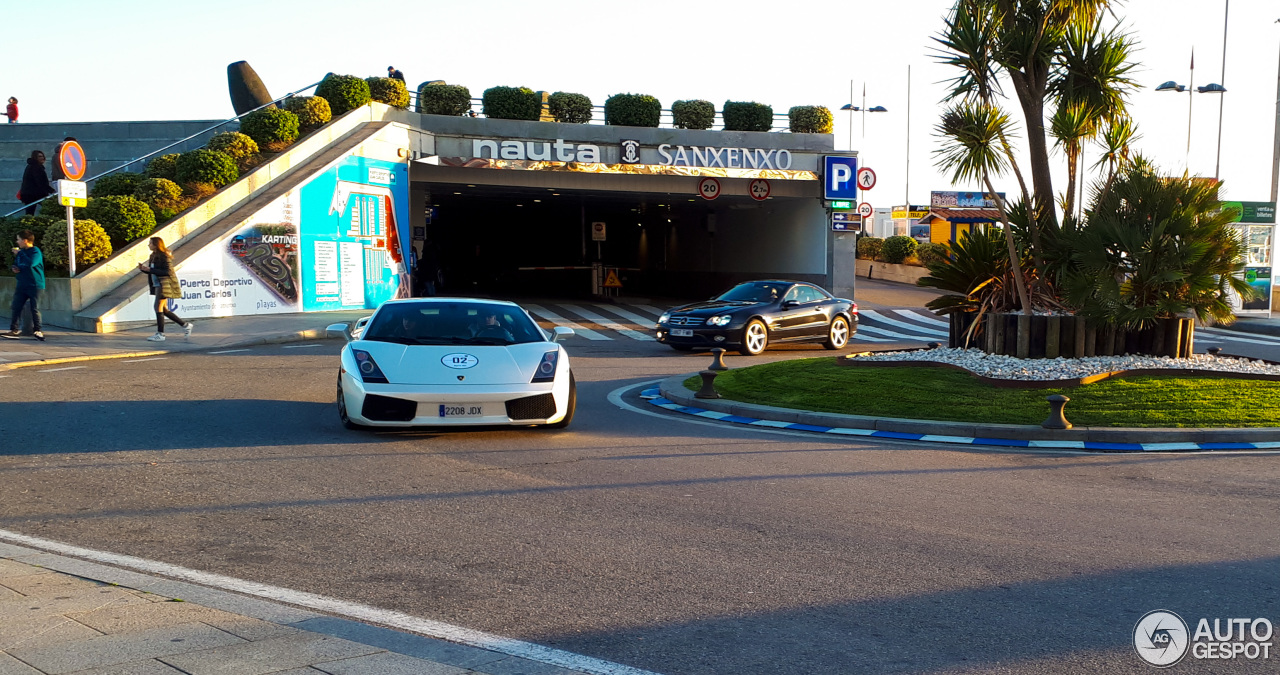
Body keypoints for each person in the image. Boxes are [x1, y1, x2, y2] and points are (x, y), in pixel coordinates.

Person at [136, 237, 193, 342]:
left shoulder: (164, 256)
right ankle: (185, 325)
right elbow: (154, 271)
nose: (148, 245)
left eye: (150, 243)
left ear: (156, 244)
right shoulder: (153, 256)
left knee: (157, 307)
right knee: (164, 309)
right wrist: (144, 270)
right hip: (157, 284)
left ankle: (160, 334)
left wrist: (151, 269)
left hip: (164, 284)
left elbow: (167, 272)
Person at [3, 230, 45, 341]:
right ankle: (13, 329)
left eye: (18, 239)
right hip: (22, 283)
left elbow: (31, 263)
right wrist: (14, 268)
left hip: (35, 284)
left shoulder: (35, 251)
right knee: (16, 306)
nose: (17, 242)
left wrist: (20, 254)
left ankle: (38, 330)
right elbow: (18, 264)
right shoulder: (22, 252)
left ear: (25, 240)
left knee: (34, 308)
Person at [18, 150, 54, 216]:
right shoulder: (36, 167)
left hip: (30, 193)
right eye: (39, 156)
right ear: (35, 158)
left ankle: (29, 223)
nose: (42, 158)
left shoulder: (31, 166)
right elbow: (40, 181)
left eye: (43, 156)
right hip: (34, 194)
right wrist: (51, 190)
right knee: (49, 207)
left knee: (30, 212)